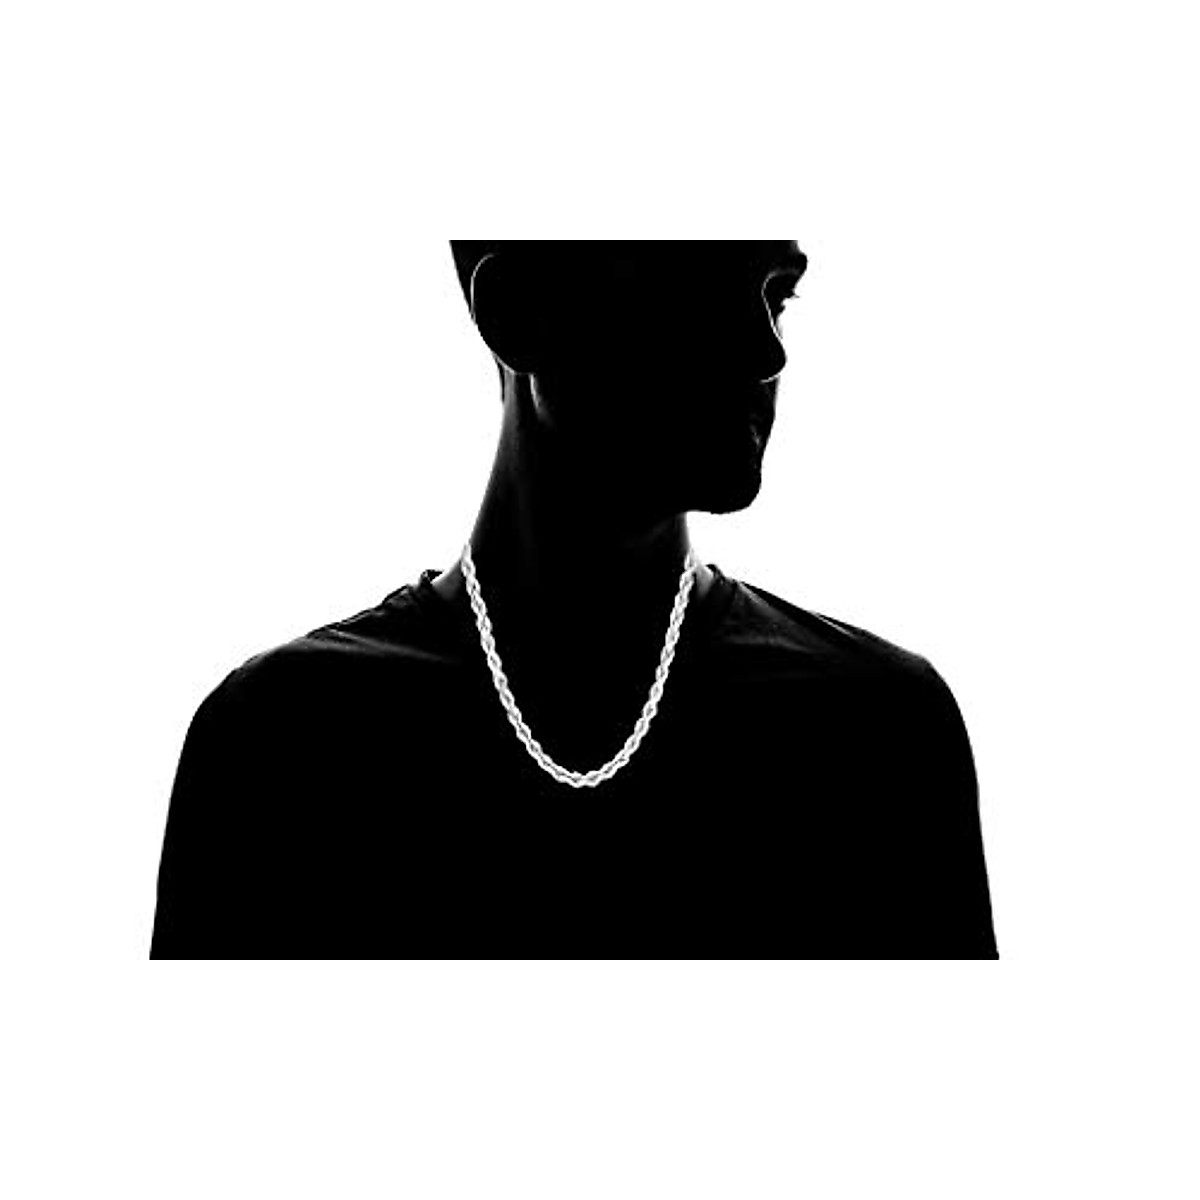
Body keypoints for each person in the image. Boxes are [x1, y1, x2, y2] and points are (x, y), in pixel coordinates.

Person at [150, 239, 998, 959]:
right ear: (518, 312)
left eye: (777, 297)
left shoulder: (878, 730)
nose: (766, 352)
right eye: (701, 289)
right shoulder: (285, 741)